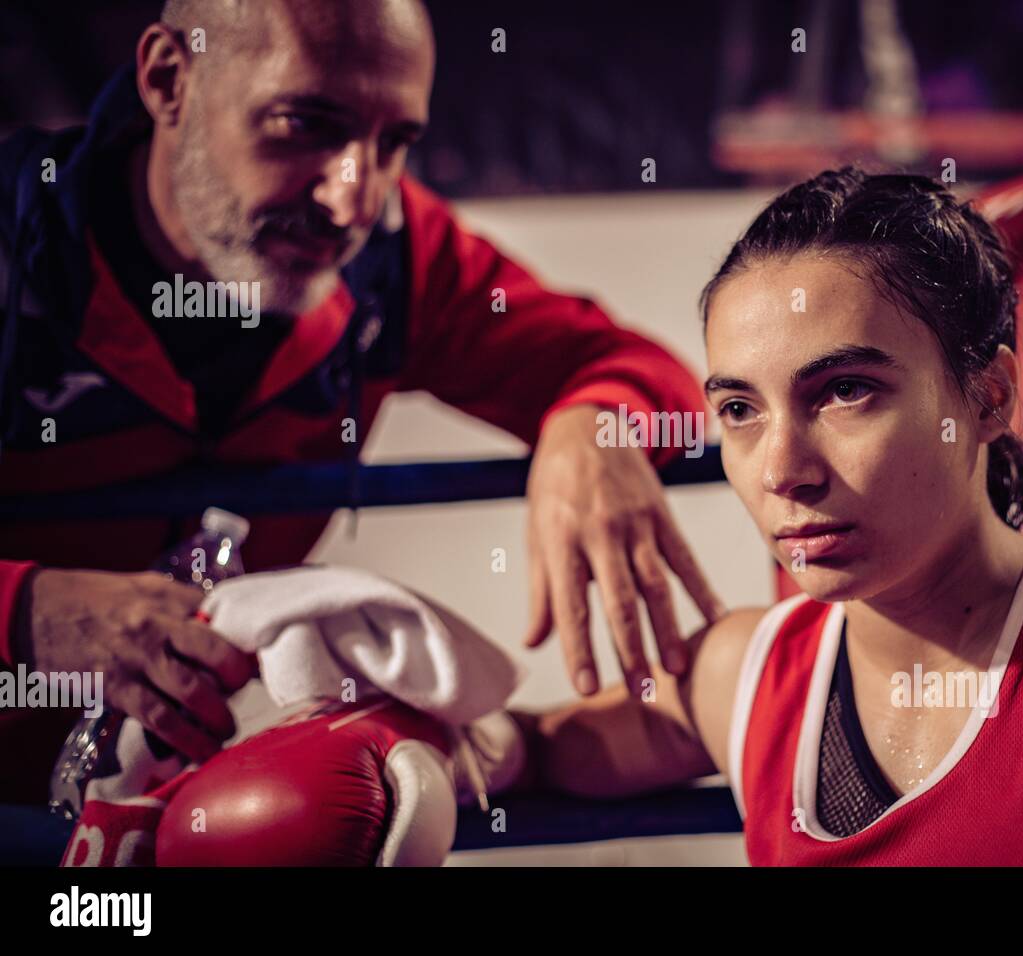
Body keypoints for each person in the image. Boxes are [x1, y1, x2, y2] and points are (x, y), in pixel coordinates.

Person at [0, 0, 723, 806]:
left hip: (178, 812)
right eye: (304, 124)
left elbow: (640, 371)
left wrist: (596, 425)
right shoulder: (15, 249)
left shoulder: (393, 254)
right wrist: (28, 610)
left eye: (394, 143)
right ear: (171, 79)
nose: (353, 199)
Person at [514, 170, 1023, 865]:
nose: (783, 471)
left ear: (989, 396)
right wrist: (413, 743)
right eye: (740, 409)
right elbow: (530, 750)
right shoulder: (744, 678)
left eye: (846, 390)